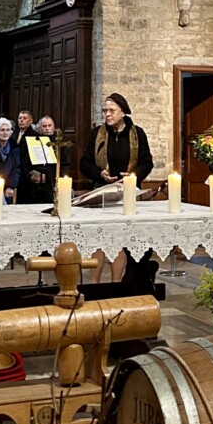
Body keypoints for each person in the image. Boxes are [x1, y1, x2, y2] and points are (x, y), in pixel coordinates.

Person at [81, 93, 154, 284]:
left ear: (123, 111)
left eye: (111, 110)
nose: (107, 114)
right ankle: (94, 285)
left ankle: (115, 285)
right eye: (105, 110)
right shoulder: (98, 133)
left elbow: (147, 162)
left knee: (119, 241)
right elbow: (84, 162)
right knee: (98, 241)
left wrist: (133, 176)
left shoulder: (137, 133)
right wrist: (100, 174)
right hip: (102, 194)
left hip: (127, 195)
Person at [19, 114, 58, 205]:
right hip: (33, 189)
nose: (47, 128)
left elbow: (64, 167)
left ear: (53, 127)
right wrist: (30, 175)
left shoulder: (59, 144)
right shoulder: (33, 142)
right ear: (39, 128)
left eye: (49, 126)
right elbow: (25, 164)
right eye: (44, 126)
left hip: (51, 187)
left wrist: (47, 177)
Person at [0, 117, 20, 202]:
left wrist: (10, 186)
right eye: (2, 130)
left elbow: (16, 169)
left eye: (8, 130)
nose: (5, 133)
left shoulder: (15, 147)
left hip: (8, 188)